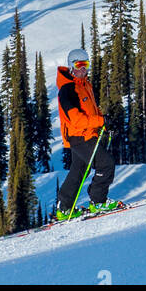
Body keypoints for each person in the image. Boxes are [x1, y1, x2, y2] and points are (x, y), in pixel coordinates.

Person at [56, 49, 117, 219]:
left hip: (88, 134)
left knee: (79, 170)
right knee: (106, 164)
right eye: (79, 65)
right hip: (79, 136)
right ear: (71, 66)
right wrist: (100, 121)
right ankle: (98, 201)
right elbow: (76, 119)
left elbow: (91, 111)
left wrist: (102, 122)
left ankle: (64, 208)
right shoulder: (67, 90)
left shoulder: (84, 85)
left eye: (86, 65)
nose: (83, 69)